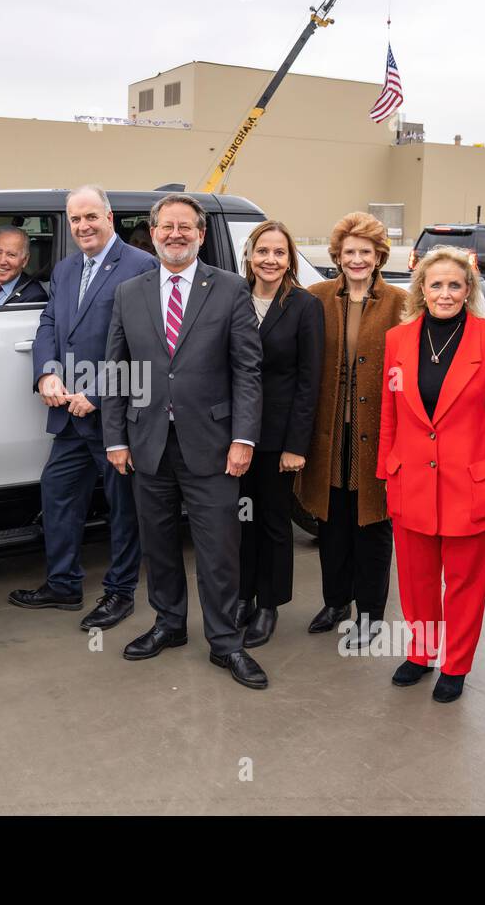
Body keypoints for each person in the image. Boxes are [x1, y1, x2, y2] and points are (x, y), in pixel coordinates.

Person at [103, 193, 268, 689]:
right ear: (152, 234)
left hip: (214, 444)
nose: (176, 234)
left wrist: (243, 438)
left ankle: (225, 643)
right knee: (158, 544)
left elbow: (248, 370)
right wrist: (115, 438)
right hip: (147, 441)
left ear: (200, 234)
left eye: (186, 227)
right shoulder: (129, 292)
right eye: (166, 226)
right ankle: (169, 624)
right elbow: (116, 370)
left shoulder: (231, 289)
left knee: (218, 548)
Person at [378, 246, 485, 702]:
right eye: (436, 284)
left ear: (469, 290)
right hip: (412, 480)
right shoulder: (397, 341)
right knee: (417, 580)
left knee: (465, 583)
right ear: (421, 288)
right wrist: (387, 468)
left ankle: (456, 664)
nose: (445, 294)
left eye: (455, 285)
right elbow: (390, 411)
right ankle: (421, 653)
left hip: (474, 483)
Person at [11, 185, 157, 628]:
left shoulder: (141, 265)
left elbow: (143, 343)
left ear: (109, 217)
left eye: (91, 217)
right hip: (68, 414)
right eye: (75, 220)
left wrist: (95, 393)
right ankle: (63, 584)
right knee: (57, 494)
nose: (83, 226)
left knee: (122, 507)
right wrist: (46, 373)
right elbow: (51, 322)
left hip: (113, 413)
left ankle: (120, 593)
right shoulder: (66, 268)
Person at [295, 212, 406, 648]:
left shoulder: (401, 302)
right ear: (337, 256)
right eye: (348, 252)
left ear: (379, 256)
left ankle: (370, 614)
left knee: (373, 525)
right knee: (332, 521)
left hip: (378, 433)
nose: (356, 259)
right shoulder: (315, 297)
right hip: (327, 431)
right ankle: (335, 602)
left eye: (366, 252)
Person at [236, 220, 323, 647]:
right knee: (241, 518)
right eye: (263, 251)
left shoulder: (304, 306)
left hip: (276, 437)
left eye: (280, 253)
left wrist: (295, 446)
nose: (270, 260)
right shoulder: (232, 298)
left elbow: (310, 381)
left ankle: (268, 604)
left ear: (289, 261)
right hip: (234, 434)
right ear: (249, 255)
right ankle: (243, 596)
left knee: (272, 520)